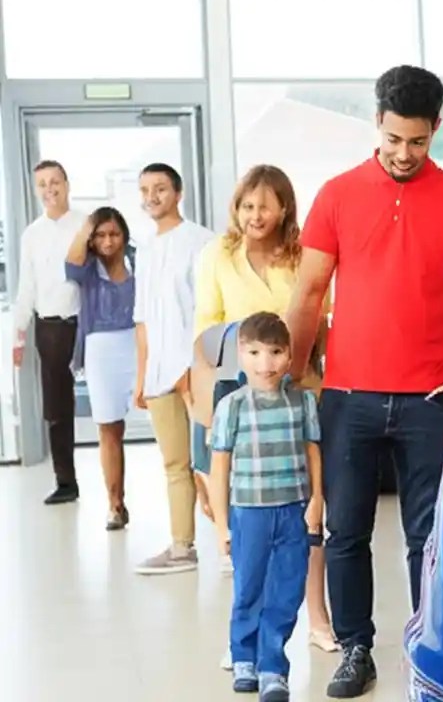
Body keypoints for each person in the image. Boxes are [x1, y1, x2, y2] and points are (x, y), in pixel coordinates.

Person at [284, 64, 443, 698]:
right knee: (345, 530)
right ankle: (355, 649)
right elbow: (310, 290)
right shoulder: (337, 194)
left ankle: (426, 641)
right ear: (377, 121)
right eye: (394, 139)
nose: (404, 154)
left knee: (428, 537)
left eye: (418, 142)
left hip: (429, 398)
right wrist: (294, 376)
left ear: (436, 128)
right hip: (349, 397)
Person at [191, 164, 338, 652]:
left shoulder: (302, 257)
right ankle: (247, 637)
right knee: (250, 522)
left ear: (284, 209)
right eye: (247, 205)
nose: (255, 215)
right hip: (239, 391)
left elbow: (321, 317)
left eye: (265, 205)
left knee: (308, 512)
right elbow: (206, 328)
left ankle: (317, 617)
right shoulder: (218, 254)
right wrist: (244, 364)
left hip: (299, 392)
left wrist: (298, 370)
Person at [208, 312, 323, 702]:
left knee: (288, 591)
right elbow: (218, 467)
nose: (265, 363)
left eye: (275, 352)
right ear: (241, 354)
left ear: (289, 356)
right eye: (255, 352)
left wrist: (316, 501)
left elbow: (313, 454)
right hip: (249, 513)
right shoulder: (232, 406)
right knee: (249, 587)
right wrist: (222, 524)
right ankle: (245, 656)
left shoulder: (302, 402)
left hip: (292, 510)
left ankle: (273, 666)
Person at [133, 162, 216, 575]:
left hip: (195, 370)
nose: (152, 196)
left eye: (160, 188)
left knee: (212, 461)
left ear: (178, 193)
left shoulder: (201, 242)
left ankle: (232, 543)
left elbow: (208, 311)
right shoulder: (144, 249)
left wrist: (194, 366)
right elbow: (143, 318)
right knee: (174, 464)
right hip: (159, 372)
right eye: (145, 189)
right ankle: (182, 547)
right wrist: (142, 376)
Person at [13, 160, 87, 505]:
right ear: (36, 190)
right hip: (51, 327)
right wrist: (19, 333)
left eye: (55, 181)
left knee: (105, 405)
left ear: (67, 184)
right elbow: (26, 287)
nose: (49, 189)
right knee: (57, 408)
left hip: (87, 324)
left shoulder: (86, 225)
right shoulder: (32, 234)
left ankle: (116, 488)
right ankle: (65, 482)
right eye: (42, 184)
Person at [63, 207, 137, 529]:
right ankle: (115, 504)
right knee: (109, 427)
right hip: (101, 349)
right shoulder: (87, 268)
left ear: (124, 236)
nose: (108, 241)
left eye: (114, 234)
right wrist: (89, 225)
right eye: (101, 235)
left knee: (166, 422)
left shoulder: (140, 260)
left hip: (140, 343)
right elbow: (70, 263)